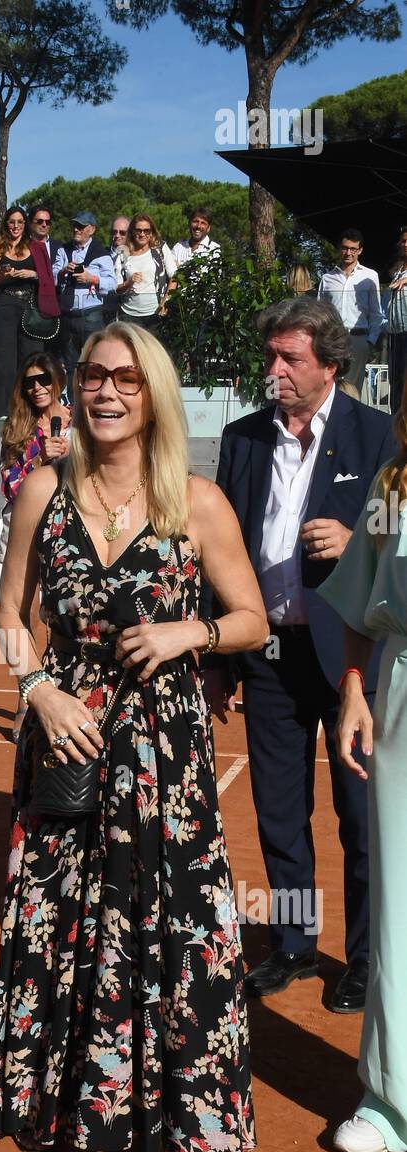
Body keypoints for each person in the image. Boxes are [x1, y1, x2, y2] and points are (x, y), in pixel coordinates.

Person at [0, 321, 267, 1152]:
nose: (105, 392)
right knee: (62, 916)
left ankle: (169, 1124)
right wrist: (39, 691)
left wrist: (194, 630)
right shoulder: (41, 490)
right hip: (66, 732)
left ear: (152, 396)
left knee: (163, 921)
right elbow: (7, 620)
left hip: (163, 753)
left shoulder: (198, 501)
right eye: (92, 377)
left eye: (125, 379)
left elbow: (253, 619)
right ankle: (66, 1110)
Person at [210, 299, 396, 1011]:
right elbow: (213, 550)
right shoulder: (244, 439)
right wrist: (219, 653)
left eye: (290, 358)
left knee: (361, 816)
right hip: (266, 655)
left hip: (353, 658)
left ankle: (363, 957)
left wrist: (357, 548)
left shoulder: (376, 435)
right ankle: (291, 946)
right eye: (271, 357)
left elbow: (395, 535)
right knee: (279, 812)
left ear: (330, 362)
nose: (275, 371)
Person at [320, 392, 407, 1152]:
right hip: (404, 696)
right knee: (400, 901)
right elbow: (355, 598)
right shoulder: (393, 485)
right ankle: (391, 1098)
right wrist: (354, 686)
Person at [0, 353, 71, 738]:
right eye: (29, 382)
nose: (37, 387)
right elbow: (8, 485)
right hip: (23, 524)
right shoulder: (17, 427)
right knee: (20, 613)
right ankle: (25, 697)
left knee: (57, 613)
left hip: (70, 526)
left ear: (58, 379)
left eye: (44, 379)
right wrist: (39, 458)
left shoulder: (83, 421)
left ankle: (60, 688)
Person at [0, 207, 41, 419]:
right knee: (3, 361)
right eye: (11, 222)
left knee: (30, 358)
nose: (16, 226)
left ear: (25, 224)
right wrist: (3, 276)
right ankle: (1, 410)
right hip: (4, 304)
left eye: (20, 222)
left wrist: (32, 273)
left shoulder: (35, 246)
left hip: (29, 306)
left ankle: (30, 410)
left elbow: (46, 275)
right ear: (6, 224)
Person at [317, 229, 385, 395]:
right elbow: (319, 312)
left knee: (353, 390)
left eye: (353, 249)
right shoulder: (327, 278)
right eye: (345, 248)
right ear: (340, 248)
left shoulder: (370, 276)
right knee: (329, 387)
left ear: (360, 250)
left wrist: (370, 341)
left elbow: (377, 313)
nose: (348, 253)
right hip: (333, 339)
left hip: (359, 339)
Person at [53, 212, 117, 389]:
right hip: (67, 315)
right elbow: (51, 279)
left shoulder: (101, 254)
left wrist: (92, 279)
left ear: (92, 229)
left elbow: (112, 284)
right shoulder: (63, 251)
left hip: (92, 315)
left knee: (94, 363)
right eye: (74, 225)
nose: (76, 229)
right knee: (71, 366)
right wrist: (64, 270)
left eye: (81, 226)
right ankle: (74, 408)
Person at [114, 212, 177, 336]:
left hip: (155, 314)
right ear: (132, 231)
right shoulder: (123, 253)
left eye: (146, 230)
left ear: (152, 232)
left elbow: (174, 276)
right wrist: (129, 282)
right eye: (138, 230)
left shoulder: (160, 249)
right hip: (129, 315)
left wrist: (166, 300)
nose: (142, 234)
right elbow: (117, 288)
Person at [385, 226, 407, 415]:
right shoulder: (399, 268)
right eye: (403, 241)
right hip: (395, 333)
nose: (405, 244)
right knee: (396, 382)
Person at [102, 216, 130, 323]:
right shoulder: (102, 254)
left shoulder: (136, 255)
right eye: (114, 232)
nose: (117, 236)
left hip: (130, 310)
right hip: (108, 311)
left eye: (122, 233)